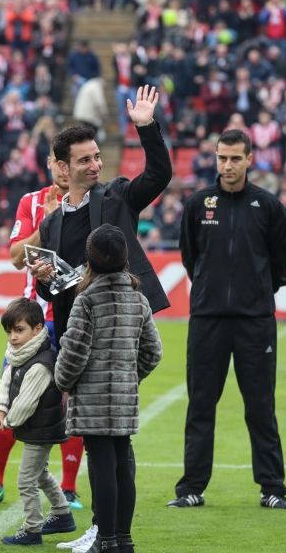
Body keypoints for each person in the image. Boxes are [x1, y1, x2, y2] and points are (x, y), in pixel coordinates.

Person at [29, 84, 171, 552]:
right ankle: (107, 532)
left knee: (107, 448)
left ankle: (110, 535)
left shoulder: (116, 196)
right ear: (62, 167)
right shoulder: (51, 222)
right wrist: (46, 278)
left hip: (116, 333)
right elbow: (53, 291)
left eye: (96, 157)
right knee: (107, 448)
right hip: (78, 333)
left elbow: (160, 173)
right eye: (85, 159)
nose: (95, 165)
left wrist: (146, 126)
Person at [168, 129, 286, 510]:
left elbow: (280, 266)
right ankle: (191, 488)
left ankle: (273, 488)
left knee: (260, 405)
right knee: (201, 404)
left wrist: (253, 293)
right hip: (207, 320)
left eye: (235, 158)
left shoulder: (269, 207)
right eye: (223, 158)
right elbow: (191, 259)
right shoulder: (196, 205)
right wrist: (211, 290)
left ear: (249, 159)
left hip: (255, 322)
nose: (228, 165)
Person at [0, 147, 87, 512]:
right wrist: (47, 223)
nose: (65, 169)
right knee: (10, 393)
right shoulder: (31, 201)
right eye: (59, 162)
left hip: (77, 314)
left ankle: (68, 489)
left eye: (73, 162)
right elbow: (16, 256)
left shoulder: (96, 204)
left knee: (72, 402)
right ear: (51, 164)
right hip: (34, 321)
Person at [56, 224, 163, 553]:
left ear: (90, 259)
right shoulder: (138, 298)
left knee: (102, 468)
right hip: (124, 399)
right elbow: (153, 352)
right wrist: (129, 377)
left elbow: (73, 352)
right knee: (122, 465)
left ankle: (106, 539)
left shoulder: (87, 299)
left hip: (92, 400)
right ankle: (124, 539)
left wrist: (64, 382)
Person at [0, 298, 78, 546]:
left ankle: (31, 529)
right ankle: (62, 514)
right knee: (41, 474)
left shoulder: (42, 363)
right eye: (9, 331)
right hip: (35, 426)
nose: (12, 337)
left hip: (43, 427)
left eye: (19, 330)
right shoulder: (18, 354)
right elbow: (6, 383)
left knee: (26, 479)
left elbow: (26, 402)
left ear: (38, 329)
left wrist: (7, 421)